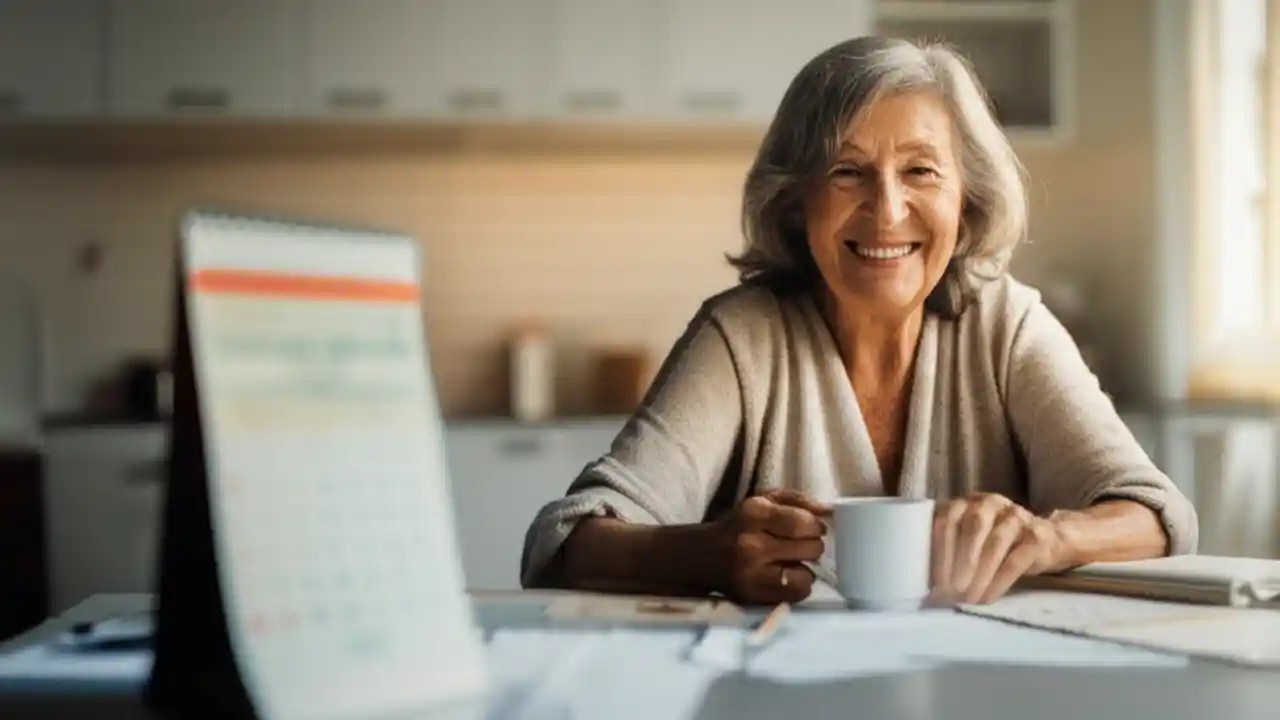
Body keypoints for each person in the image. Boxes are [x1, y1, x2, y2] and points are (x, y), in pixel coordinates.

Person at [521, 36, 1197, 605]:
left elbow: (1155, 513)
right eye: (848, 171)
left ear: (966, 201)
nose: (888, 209)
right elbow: (564, 543)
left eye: (922, 171)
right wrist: (708, 551)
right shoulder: (743, 337)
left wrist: (1046, 538)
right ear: (796, 203)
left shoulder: (1006, 324)